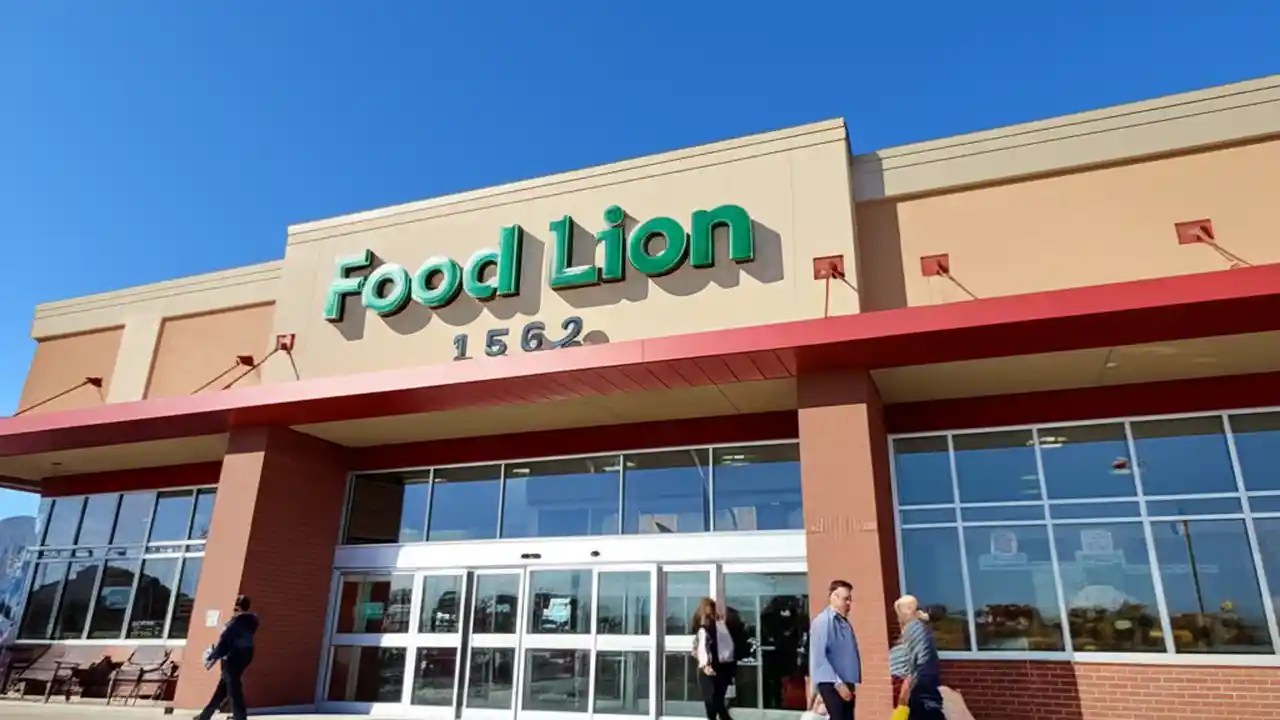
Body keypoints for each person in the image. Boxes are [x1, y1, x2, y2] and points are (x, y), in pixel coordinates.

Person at [195, 595, 259, 720]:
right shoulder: (252, 622)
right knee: (223, 687)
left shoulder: (235, 624)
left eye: (235, 608)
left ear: (237, 608)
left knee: (234, 688)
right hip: (247, 654)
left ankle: (239, 717)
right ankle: (205, 715)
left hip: (233, 656)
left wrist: (212, 656)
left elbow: (225, 643)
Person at [808, 580, 860, 720]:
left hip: (846, 682)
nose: (849, 603)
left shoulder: (843, 621)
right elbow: (821, 655)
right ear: (834, 597)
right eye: (846, 599)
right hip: (832, 684)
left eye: (850, 599)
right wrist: (839, 684)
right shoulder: (823, 621)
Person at [892, 595, 944, 720]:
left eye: (900, 611)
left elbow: (915, 670)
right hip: (924, 699)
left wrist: (902, 701)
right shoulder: (917, 629)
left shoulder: (914, 629)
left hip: (921, 700)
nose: (898, 617)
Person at [693, 597, 736, 720]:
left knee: (713, 705)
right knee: (717, 703)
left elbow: (702, 649)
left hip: (710, 670)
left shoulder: (705, 629)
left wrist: (705, 665)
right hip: (724, 668)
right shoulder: (722, 627)